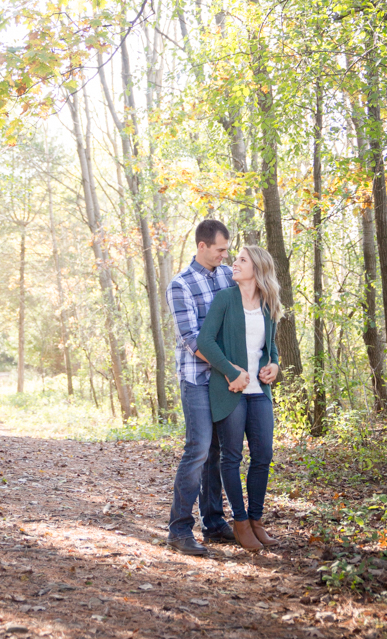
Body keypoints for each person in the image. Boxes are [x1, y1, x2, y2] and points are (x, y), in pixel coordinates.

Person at [197, 245, 282, 552]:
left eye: (242, 259)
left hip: (260, 393)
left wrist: (274, 366)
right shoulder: (225, 299)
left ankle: (257, 521)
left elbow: (270, 349)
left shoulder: (267, 304)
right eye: (235, 259)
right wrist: (231, 372)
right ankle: (241, 522)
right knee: (231, 458)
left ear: (257, 268)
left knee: (263, 455)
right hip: (230, 391)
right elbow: (204, 341)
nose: (235, 262)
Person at [165, 218, 236, 556]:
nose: (225, 255)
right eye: (220, 249)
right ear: (202, 246)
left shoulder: (227, 277)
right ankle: (179, 530)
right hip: (196, 378)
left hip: (225, 380)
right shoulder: (180, 284)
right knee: (198, 449)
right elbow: (191, 339)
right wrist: (229, 366)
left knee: (217, 453)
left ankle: (214, 523)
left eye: (227, 249)